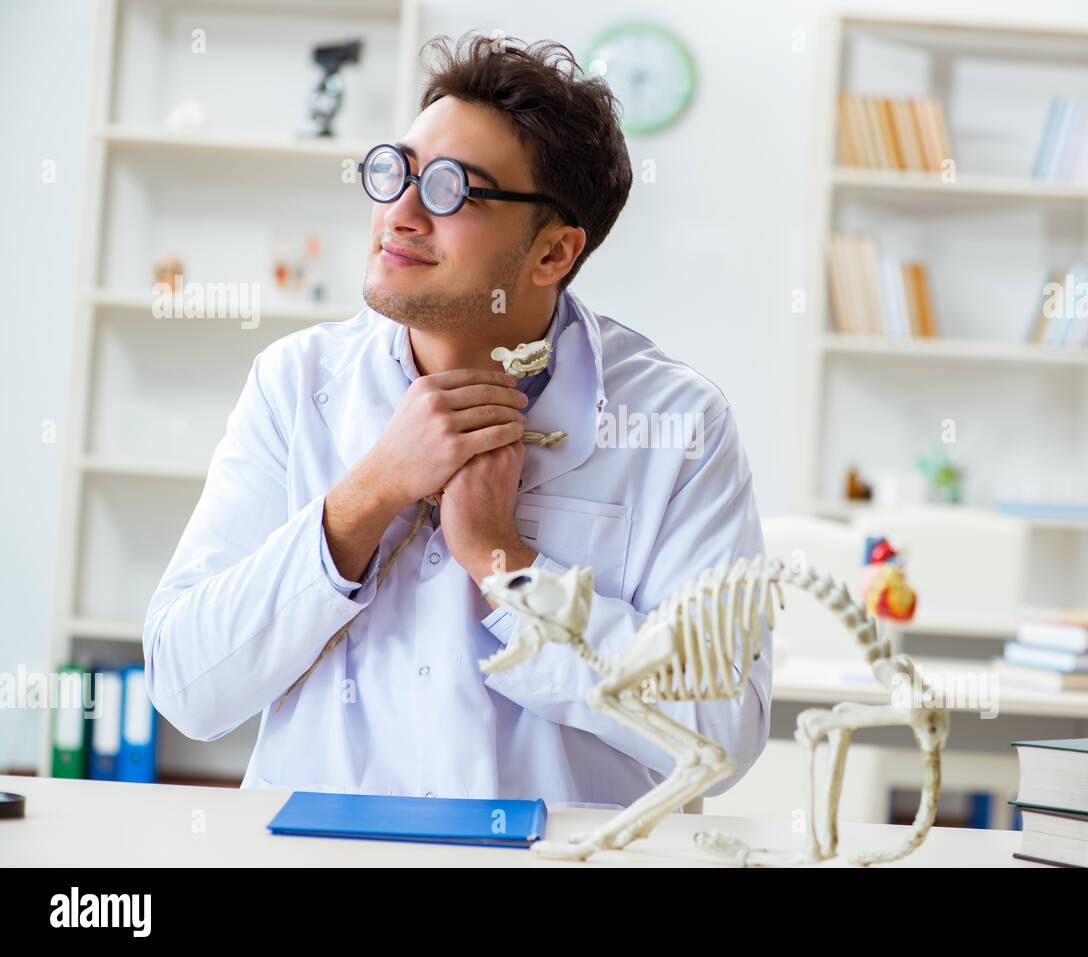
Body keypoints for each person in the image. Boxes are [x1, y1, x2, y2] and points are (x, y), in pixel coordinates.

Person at [143, 32, 771, 808]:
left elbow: (723, 726)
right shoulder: (295, 383)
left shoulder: (678, 424)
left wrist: (509, 568)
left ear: (553, 253)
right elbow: (185, 684)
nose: (400, 213)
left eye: (454, 190)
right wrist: (365, 497)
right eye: (397, 171)